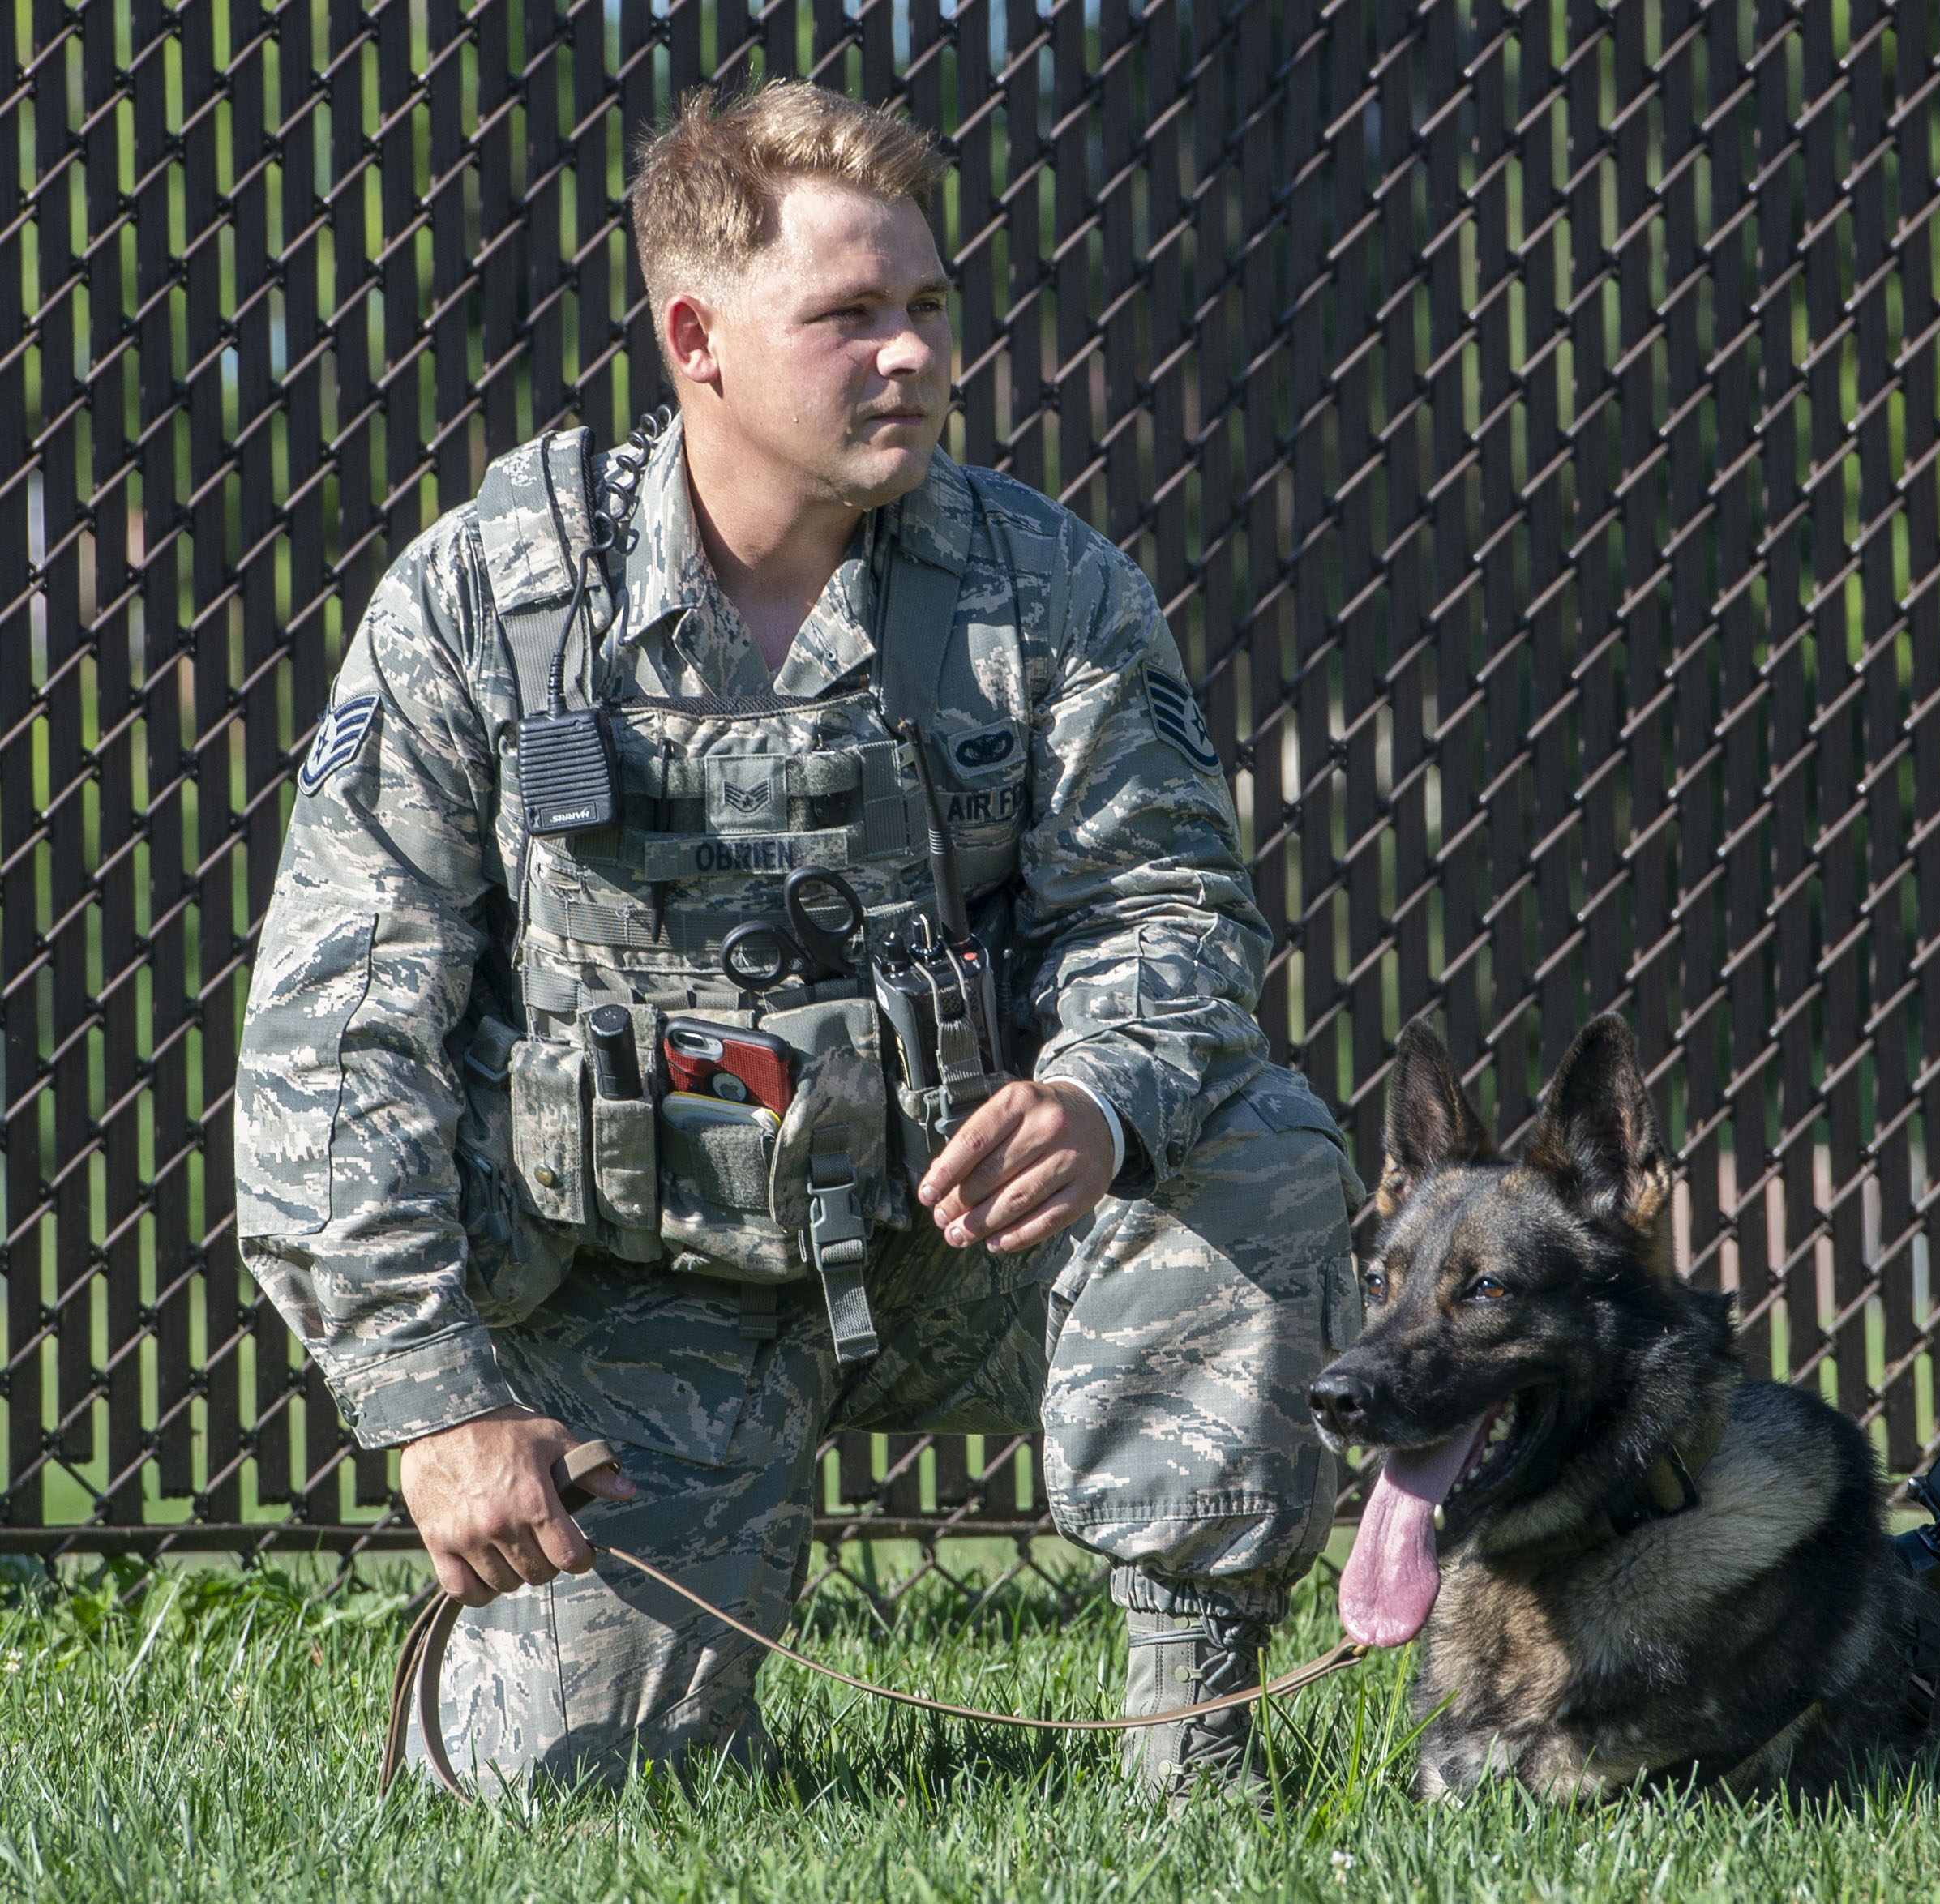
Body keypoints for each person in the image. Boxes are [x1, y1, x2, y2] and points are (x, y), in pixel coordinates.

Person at [233, 78, 1362, 1799]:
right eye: (849, 316)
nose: (910, 355)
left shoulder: (1042, 591)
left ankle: (1185, 1727)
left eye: (925, 308)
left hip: (952, 1248)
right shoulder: (489, 602)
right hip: (632, 1287)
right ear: (698, 335)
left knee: (1254, 1139)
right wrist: (429, 1404)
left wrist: (1095, 1095)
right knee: (566, 1790)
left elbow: (1171, 917)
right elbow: (335, 1041)